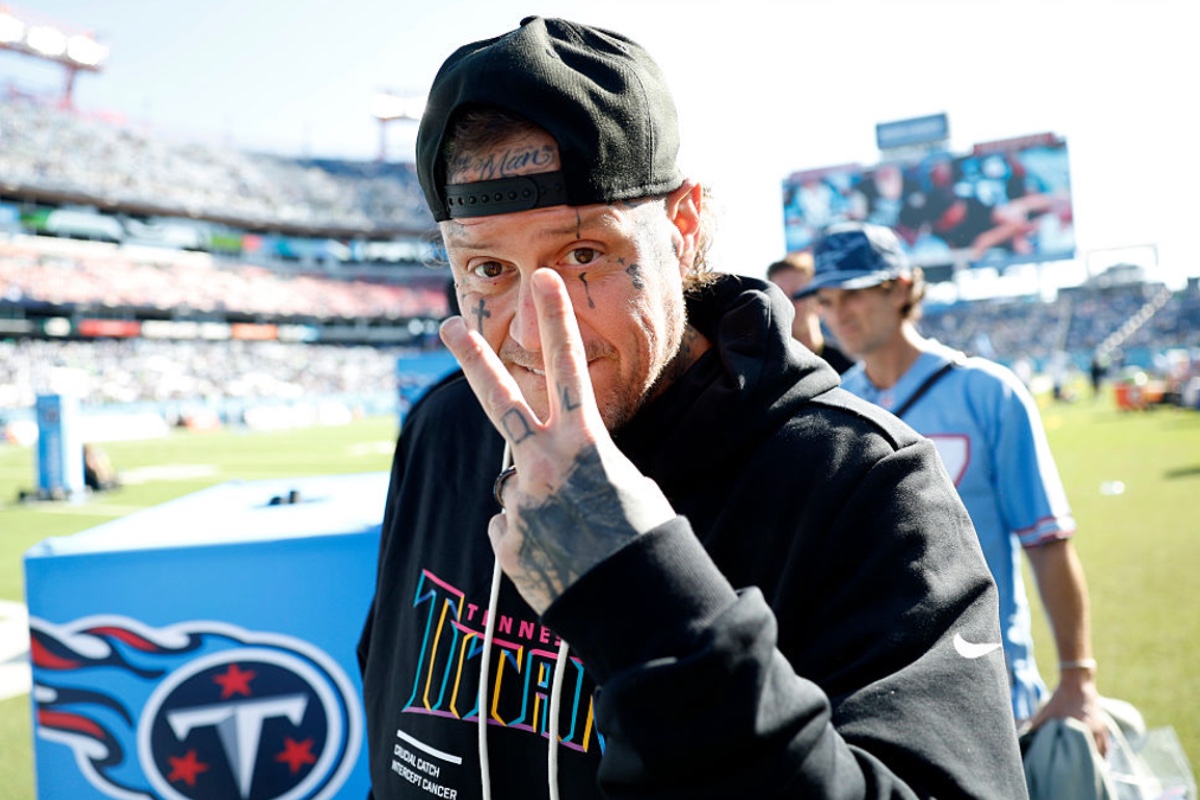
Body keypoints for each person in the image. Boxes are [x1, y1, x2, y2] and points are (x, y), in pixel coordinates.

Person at [358, 17, 1027, 800]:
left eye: (582, 255)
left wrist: (646, 601)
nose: (540, 332)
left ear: (681, 226)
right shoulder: (443, 433)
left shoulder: (861, 483)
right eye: (488, 269)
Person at [800, 220, 1106, 754]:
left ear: (900, 287)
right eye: (825, 299)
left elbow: (1047, 541)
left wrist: (1078, 677)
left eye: (853, 292)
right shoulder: (834, 405)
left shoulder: (989, 393)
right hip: (869, 696)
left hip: (986, 681)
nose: (837, 313)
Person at [766, 252, 855, 373]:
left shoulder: (847, 369)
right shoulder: (764, 372)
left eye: (798, 295)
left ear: (820, 301)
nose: (789, 305)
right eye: (781, 297)